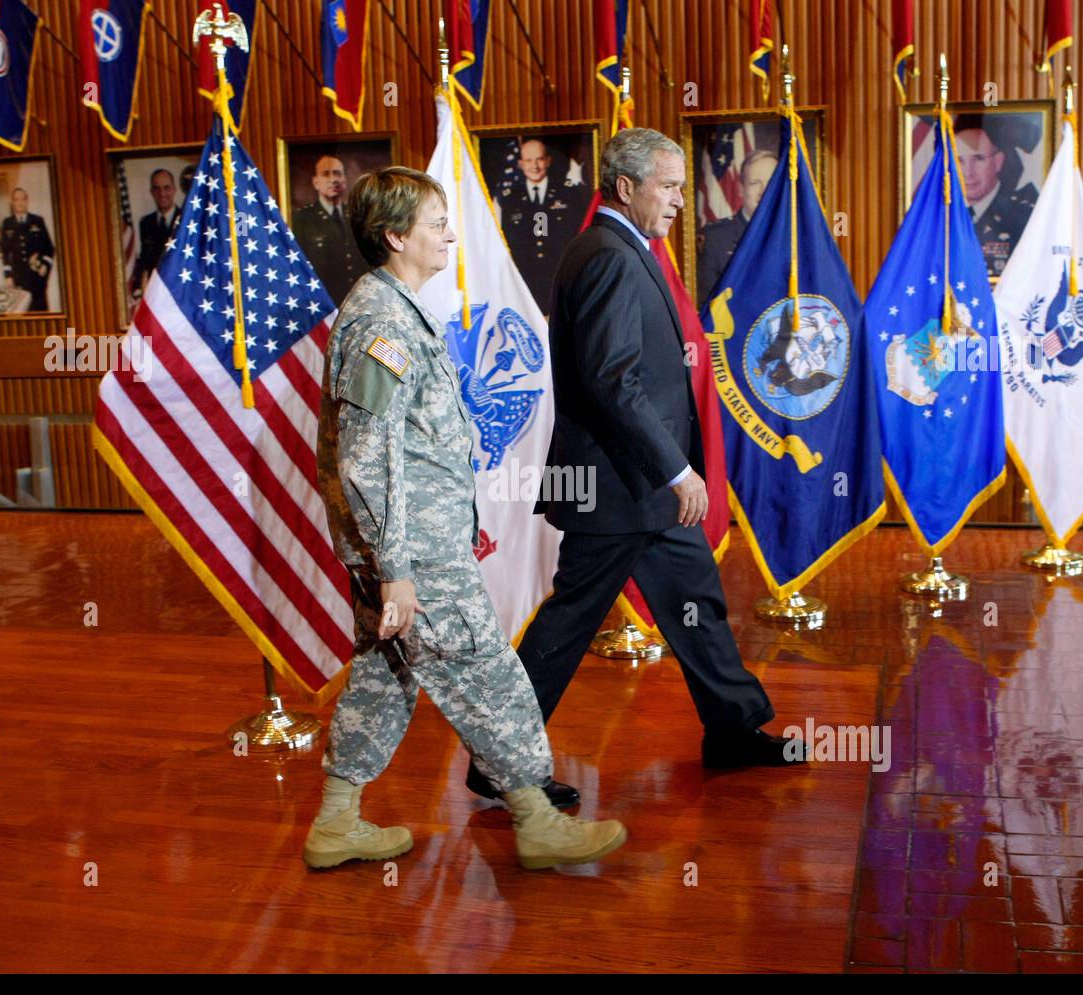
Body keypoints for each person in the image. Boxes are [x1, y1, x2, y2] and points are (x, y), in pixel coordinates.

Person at [466, 128, 808, 806]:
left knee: (697, 605)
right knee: (568, 624)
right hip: (618, 487)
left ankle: (735, 730)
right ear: (627, 187)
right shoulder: (608, 256)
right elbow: (613, 380)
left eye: (684, 184)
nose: (683, 199)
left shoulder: (622, 247)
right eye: (671, 186)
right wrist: (678, 471)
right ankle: (500, 761)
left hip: (641, 487)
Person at [307, 165, 627, 871]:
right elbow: (367, 457)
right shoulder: (379, 323)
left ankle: (335, 821)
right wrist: (396, 573)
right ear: (396, 236)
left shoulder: (395, 307)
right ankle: (536, 818)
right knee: (487, 669)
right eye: (435, 221)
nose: (451, 232)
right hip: (412, 553)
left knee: (386, 673)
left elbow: (414, 440)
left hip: (416, 541)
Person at [499, 138, 582, 314]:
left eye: (539, 159)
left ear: (548, 161)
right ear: (521, 164)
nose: (534, 166)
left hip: (560, 279)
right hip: (523, 283)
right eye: (529, 160)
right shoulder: (509, 199)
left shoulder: (568, 194)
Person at [696, 149, 778, 305]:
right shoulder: (715, 238)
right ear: (741, 189)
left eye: (771, 183)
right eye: (755, 183)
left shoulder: (797, 236)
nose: (763, 192)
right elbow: (705, 305)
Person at [954, 121, 1033, 277]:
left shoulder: (1024, 217)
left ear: (998, 162)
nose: (968, 172)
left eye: (978, 158)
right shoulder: (938, 217)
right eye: (959, 161)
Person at [292, 153, 366, 306]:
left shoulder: (357, 215)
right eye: (326, 174)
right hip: (323, 304)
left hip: (357, 302)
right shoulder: (302, 219)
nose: (333, 179)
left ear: (345, 181)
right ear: (316, 182)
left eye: (337, 173)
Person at [0, 187, 54, 312]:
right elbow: (5, 252)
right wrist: (8, 275)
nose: (20, 203)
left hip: (36, 276)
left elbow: (49, 247)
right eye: (16, 200)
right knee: (22, 311)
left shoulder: (37, 220)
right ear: (12, 203)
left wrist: (45, 264)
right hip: (18, 277)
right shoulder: (7, 223)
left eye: (23, 199)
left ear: (27, 201)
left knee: (40, 310)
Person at [131, 168, 182, 298]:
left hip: (181, 290)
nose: (162, 193)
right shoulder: (146, 223)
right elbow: (145, 258)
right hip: (157, 291)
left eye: (166, 188)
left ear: (174, 189)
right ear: (151, 192)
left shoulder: (186, 219)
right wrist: (137, 287)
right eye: (157, 189)